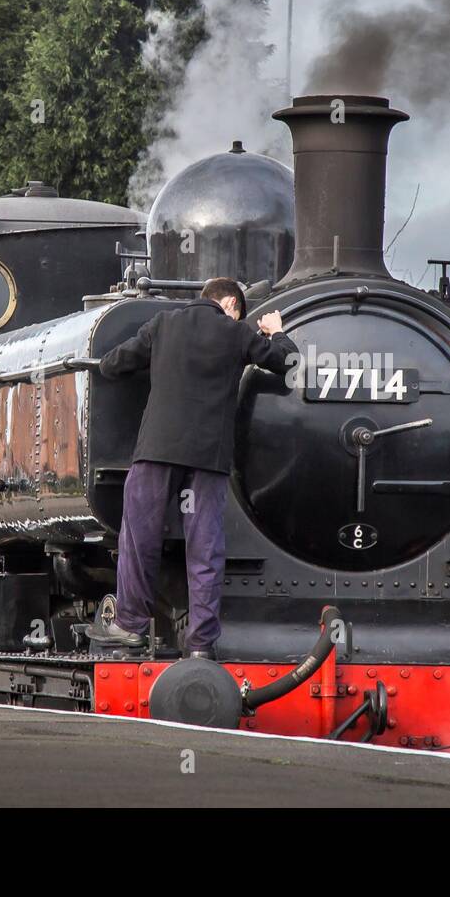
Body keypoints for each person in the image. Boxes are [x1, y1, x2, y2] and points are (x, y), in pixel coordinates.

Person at [89, 277, 298, 658]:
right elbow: (287, 361)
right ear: (233, 305)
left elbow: (113, 364)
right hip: (207, 458)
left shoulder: (164, 324)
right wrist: (276, 332)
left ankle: (130, 625)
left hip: (157, 449)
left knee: (140, 539)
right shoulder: (237, 334)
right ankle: (201, 645)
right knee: (205, 548)